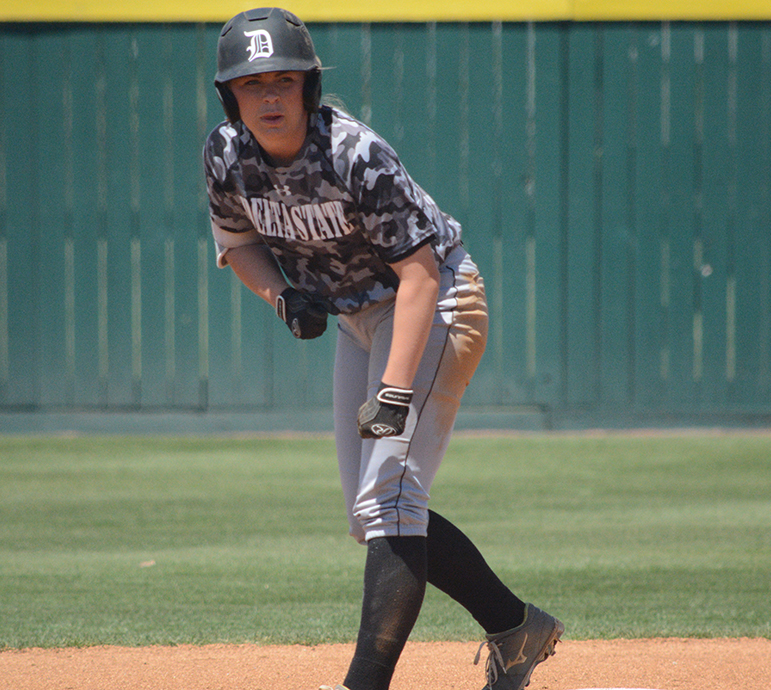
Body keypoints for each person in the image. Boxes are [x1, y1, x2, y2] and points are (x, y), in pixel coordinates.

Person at [202, 8, 563, 690]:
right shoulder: (225, 154)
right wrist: (282, 296)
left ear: (309, 87)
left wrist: (394, 396)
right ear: (231, 97)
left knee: (389, 498)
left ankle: (362, 684)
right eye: (253, 85)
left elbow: (421, 273)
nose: (270, 96)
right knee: (373, 515)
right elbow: (239, 245)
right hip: (359, 320)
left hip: (436, 304)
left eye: (285, 80)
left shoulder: (353, 153)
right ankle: (518, 628)